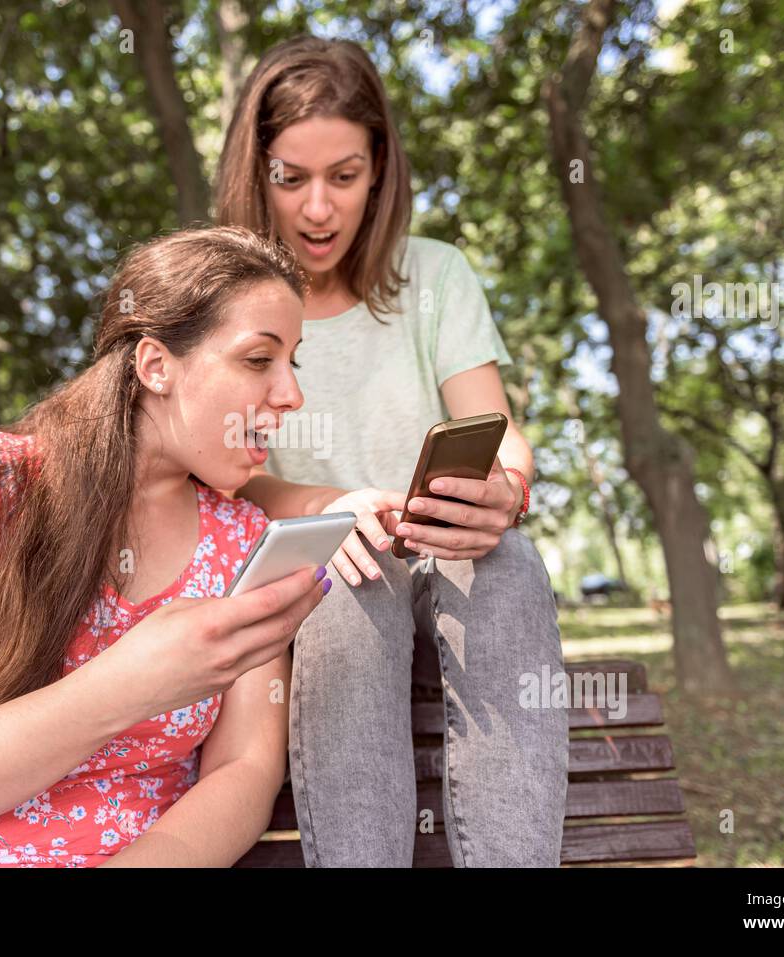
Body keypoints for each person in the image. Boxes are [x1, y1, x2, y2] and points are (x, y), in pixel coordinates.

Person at [0, 226, 330, 867]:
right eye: (258, 359)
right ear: (156, 366)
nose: (292, 393)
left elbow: (245, 767)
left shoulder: (242, 540)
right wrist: (134, 682)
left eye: (293, 361)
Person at [215, 36, 569, 867]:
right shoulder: (228, 297)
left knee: (512, 564)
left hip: (439, 556)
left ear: (381, 171)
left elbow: (497, 427)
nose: (318, 210)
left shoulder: (435, 276)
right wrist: (325, 510)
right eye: (290, 178)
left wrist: (507, 486)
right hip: (319, 574)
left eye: (344, 176)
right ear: (254, 170)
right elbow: (219, 475)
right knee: (345, 576)